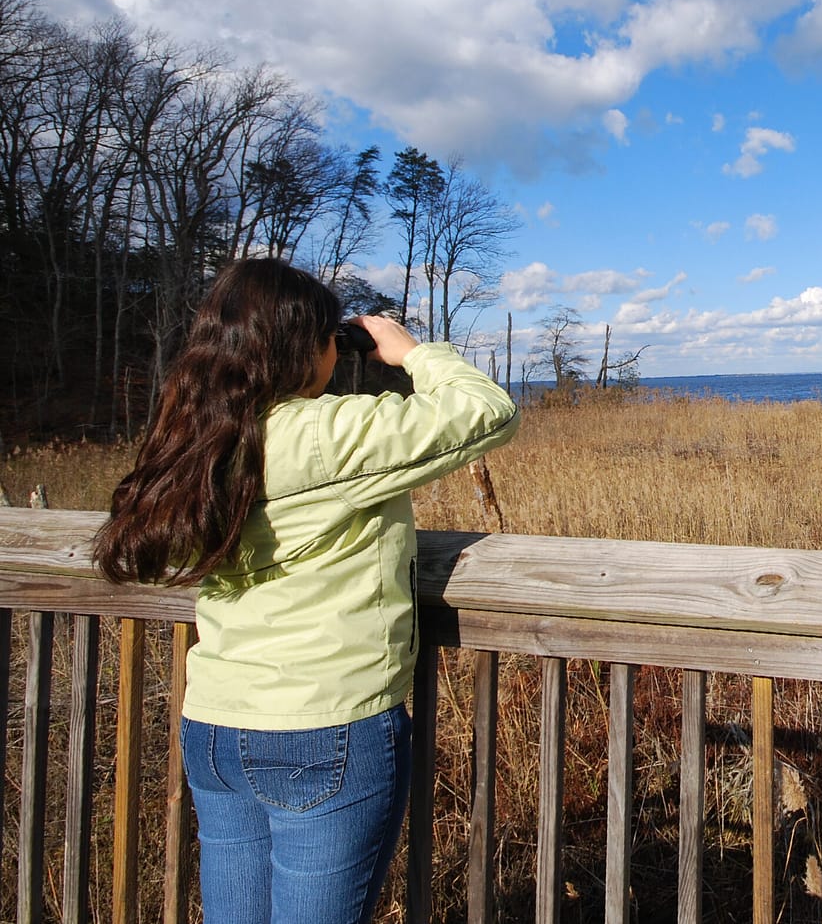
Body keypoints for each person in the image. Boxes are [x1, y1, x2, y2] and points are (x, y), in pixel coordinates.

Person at [95, 257, 519, 924]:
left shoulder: (198, 435)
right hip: (324, 729)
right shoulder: (326, 433)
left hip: (217, 726)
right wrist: (411, 352)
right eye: (328, 337)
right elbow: (485, 412)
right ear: (302, 347)